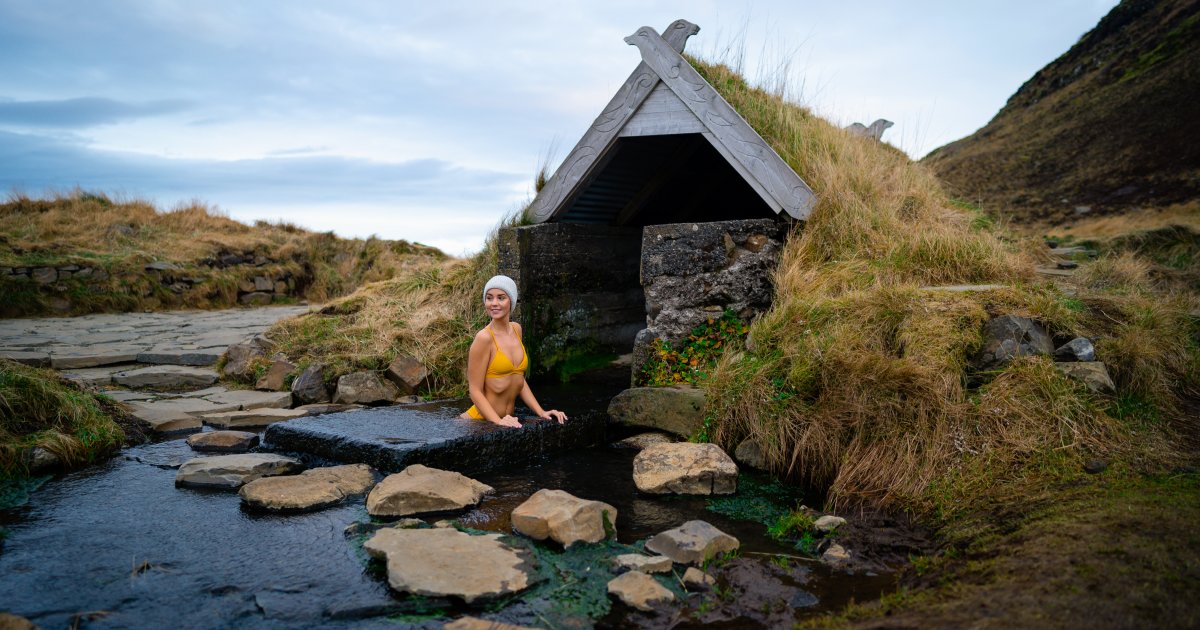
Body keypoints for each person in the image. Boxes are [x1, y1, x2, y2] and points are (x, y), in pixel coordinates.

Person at [461, 275, 568, 428]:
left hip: (507, 419)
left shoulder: (517, 329)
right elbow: (474, 390)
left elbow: (518, 379)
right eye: (489, 298)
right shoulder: (484, 338)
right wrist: (498, 421)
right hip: (479, 421)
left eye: (501, 298)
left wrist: (541, 412)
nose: (494, 303)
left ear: (511, 300)